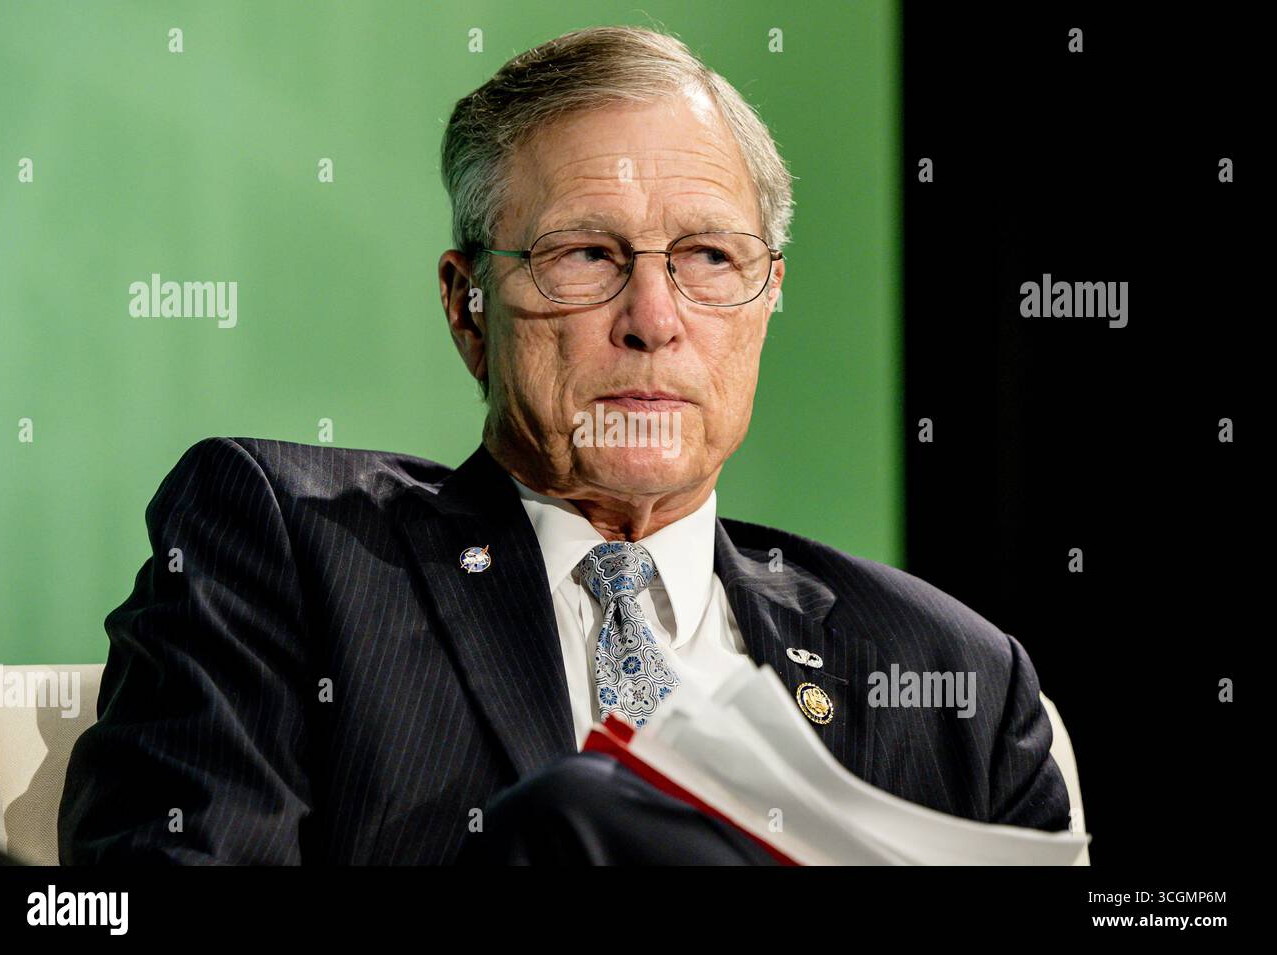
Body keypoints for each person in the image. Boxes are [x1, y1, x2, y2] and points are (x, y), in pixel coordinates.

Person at [59, 26, 1069, 865]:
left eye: (709, 256)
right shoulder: (289, 548)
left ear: (766, 299)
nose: (652, 317)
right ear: (467, 307)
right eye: (587, 254)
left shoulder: (951, 682)